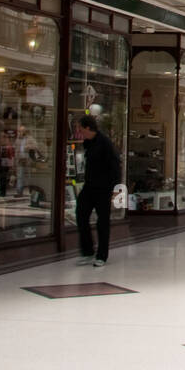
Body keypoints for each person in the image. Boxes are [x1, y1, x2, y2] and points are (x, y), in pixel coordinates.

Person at [75, 114, 121, 267]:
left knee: (102, 221)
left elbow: (115, 166)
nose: (79, 131)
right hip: (89, 186)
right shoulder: (88, 142)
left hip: (103, 188)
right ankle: (87, 251)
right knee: (81, 214)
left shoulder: (105, 143)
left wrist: (115, 189)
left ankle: (101, 255)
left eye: (81, 128)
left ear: (88, 128)